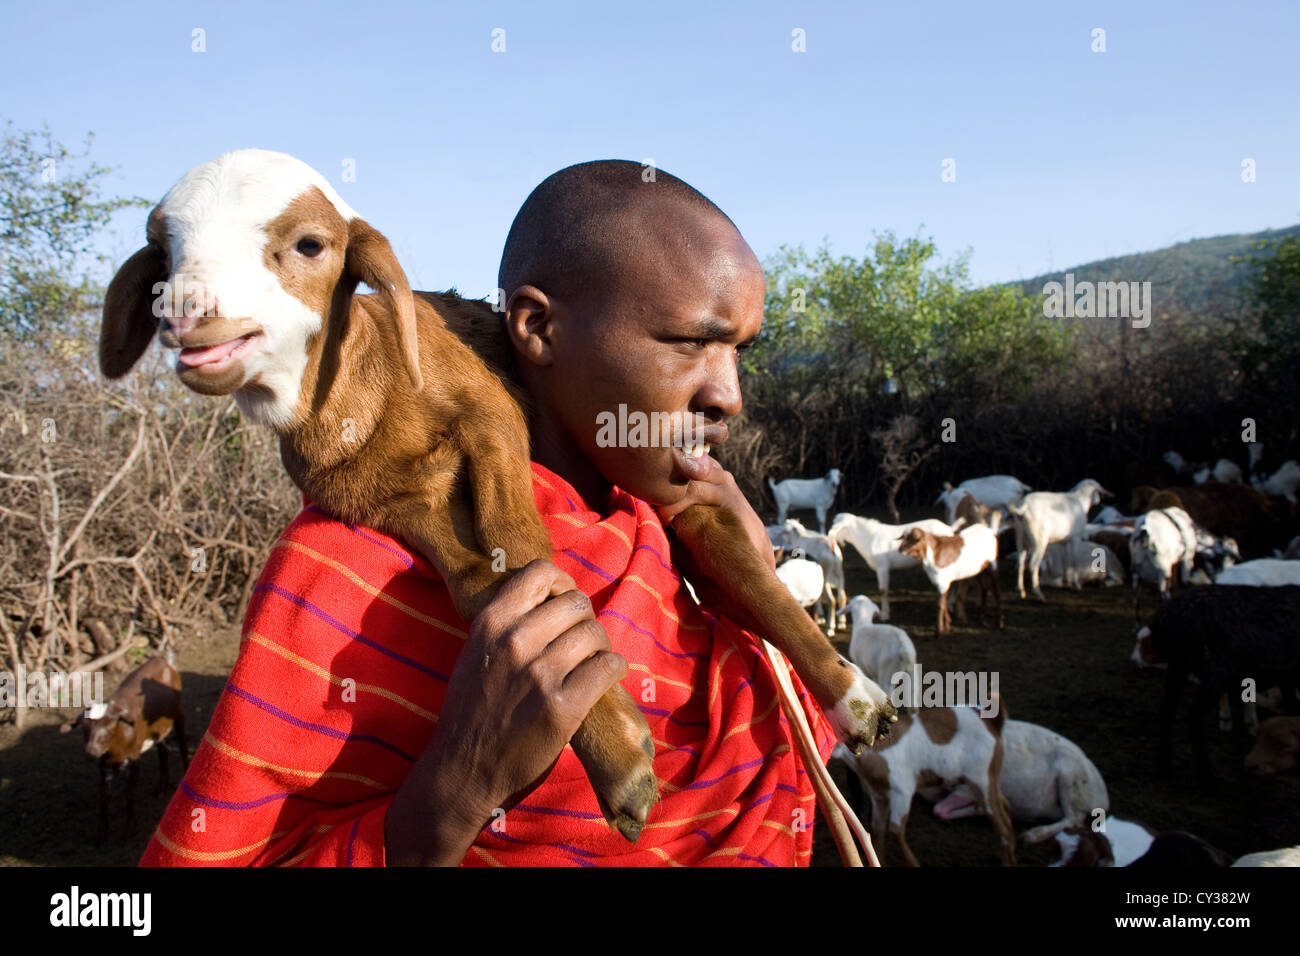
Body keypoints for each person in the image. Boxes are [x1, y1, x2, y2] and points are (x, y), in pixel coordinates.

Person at [139, 160, 836, 867]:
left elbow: (781, 766)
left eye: (738, 351)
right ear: (536, 326)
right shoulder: (349, 568)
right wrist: (460, 787)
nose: (730, 396)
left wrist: (756, 588)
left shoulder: (648, 526)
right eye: (690, 341)